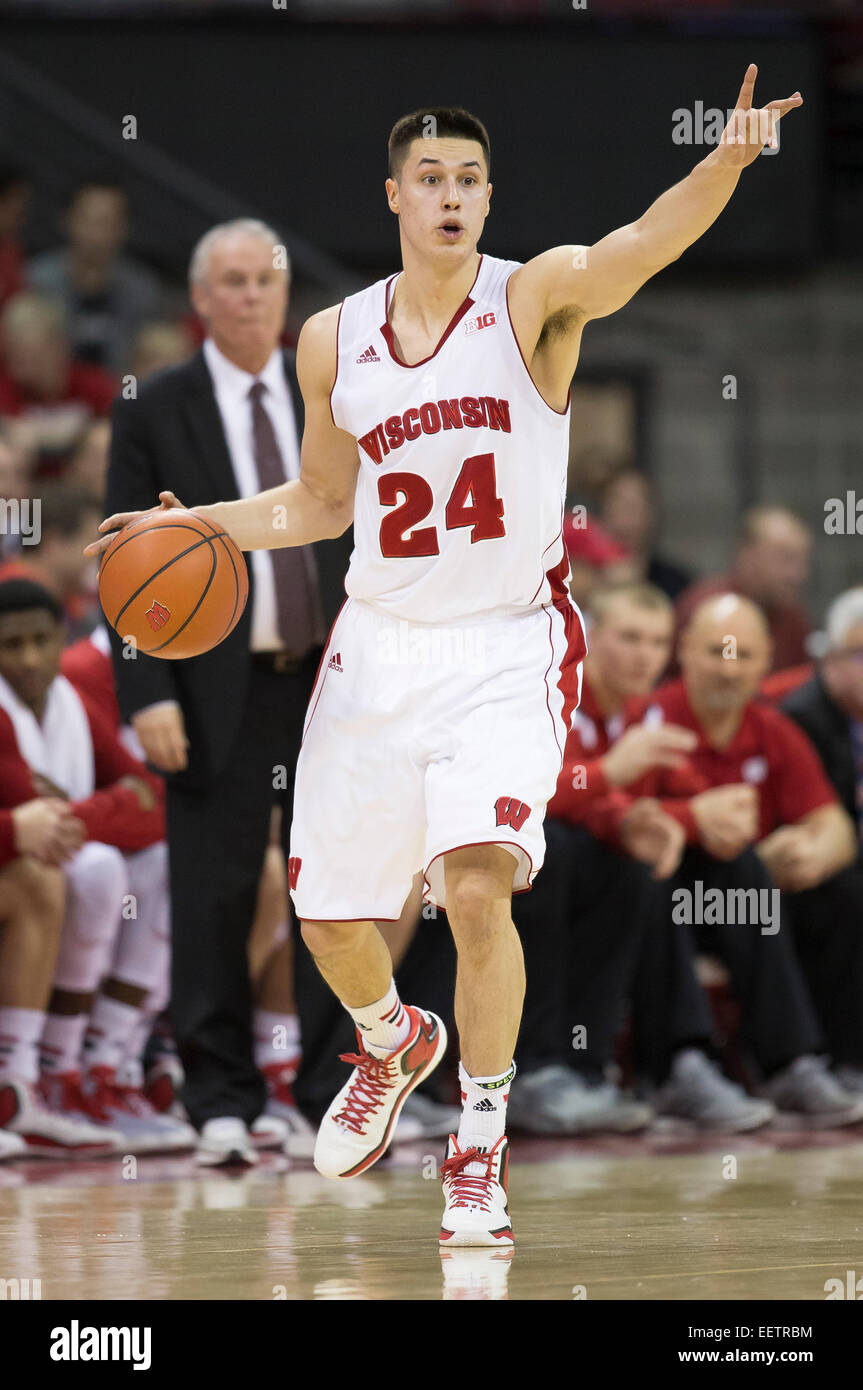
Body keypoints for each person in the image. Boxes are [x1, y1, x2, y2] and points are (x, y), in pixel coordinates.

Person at [90, 75, 804, 1245]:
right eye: (429, 178)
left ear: (486, 198)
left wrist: (723, 161)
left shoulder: (534, 302)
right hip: (375, 641)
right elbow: (322, 503)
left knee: (474, 884)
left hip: (501, 644)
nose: (452, 195)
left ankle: (477, 1145)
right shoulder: (333, 337)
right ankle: (391, 1040)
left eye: (469, 178)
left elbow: (642, 243)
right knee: (325, 919)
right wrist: (205, 525)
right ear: (392, 197)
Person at [102, 218, 353, 1168]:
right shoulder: (155, 406)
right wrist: (145, 692)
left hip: (326, 678)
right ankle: (217, 1094)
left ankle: (333, 1091)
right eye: (233, 282)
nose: (252, 296)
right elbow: (122, 558)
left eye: (265, 281)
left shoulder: (328, 390)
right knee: (211, 893)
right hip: (214, 686)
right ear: (200, 299)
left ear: (285, 296)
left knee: (336, 885)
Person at [510, 582, 774, 1134]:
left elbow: (686, 797)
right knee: (564, 853)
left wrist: (712, 814)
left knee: (669, 866)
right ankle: (538, 1071)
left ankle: (776, 1060)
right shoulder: (550, 691)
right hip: (509, 861)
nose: (644, 655)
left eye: (656, 642)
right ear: (589, 636)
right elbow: (529, 795)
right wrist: (626, 789)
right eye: (629, 637)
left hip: (589, 872)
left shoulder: (640, 711)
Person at [613, 595, 863, 1126]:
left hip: (739, 910)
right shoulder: (646, 720)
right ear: (684, 652)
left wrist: (812, 852)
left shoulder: (774, 732)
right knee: (660, 870)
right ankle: (681, 1064)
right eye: (715, 652)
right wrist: (692, 820)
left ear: (766, 660)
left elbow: (835, 825)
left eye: (744, 655)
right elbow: (616, 816)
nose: (730, 667)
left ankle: (796, 1063)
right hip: (652, 903)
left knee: (828, 884)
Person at [781, 587, 863, 1092]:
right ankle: (845, 1057)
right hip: (811, 873)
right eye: (857, 654)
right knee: (852, 898)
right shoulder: (805, 717)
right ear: (829, 659)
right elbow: (818, 822)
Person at [27, 177, 164, 376]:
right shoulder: (36, 281)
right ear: (67, 220)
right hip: (53, 396)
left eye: (107, 222)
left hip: (121, 392)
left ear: (124, 227)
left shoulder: (141, 289)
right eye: (89, 220)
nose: (96, 233)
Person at [674, 506, 814, 674]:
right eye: (786, 559)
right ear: (747, 555)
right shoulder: (703, 610)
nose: (797, 575)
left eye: (802, 561)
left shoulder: (793, 621)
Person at [598, 466, 694, 601]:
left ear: (651, 515)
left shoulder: (677, 585)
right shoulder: (576, 580)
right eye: (617, 508)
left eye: (632, 508)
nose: (623, 521)